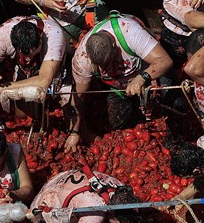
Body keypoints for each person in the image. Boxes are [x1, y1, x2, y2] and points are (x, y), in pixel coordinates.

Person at [70, 12, 173, 147]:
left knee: (172, 107)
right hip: (118, 88)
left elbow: (165, 61)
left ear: (115, 46)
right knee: (118, 126)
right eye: (103, 67)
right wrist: (75, 132)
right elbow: (77, 98)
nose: (108, 68)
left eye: (110, 61)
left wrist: (142, 78)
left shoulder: (129, 32)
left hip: (148, 73)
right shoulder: (82, 59)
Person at [0, 15, 67, 113]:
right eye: (27, 55)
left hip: (52, 68)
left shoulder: (54, 35)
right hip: (24, 69)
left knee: (63, 104)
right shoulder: (3, 35)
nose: (30, 57)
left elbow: (44, 81)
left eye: (35, 51)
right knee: (21, 113)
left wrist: (0, 88)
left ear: (41, 39)